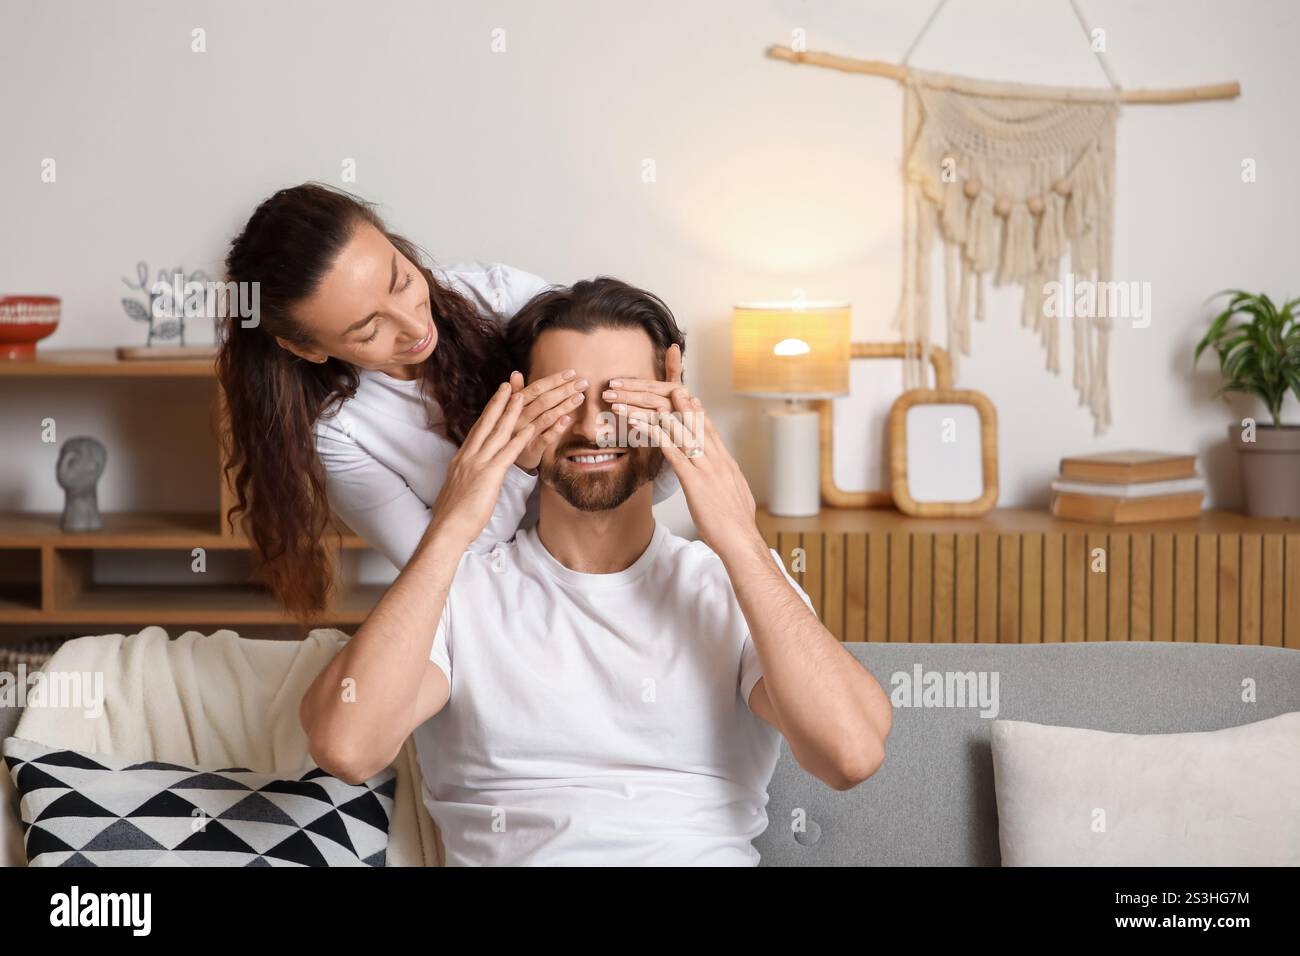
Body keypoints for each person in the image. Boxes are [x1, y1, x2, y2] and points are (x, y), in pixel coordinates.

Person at [300, 277, 893, 866]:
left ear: (671, 408)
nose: (593, 426)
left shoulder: (731, 582)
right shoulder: (459, 590)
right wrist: (453, 525)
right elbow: (348, 747)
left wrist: (739, 536)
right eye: (563, 399)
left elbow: (851, 754)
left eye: (622, 399)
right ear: (518, 415)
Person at [216, 182, 681, 619]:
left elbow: (649, 484)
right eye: (370, 329)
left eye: (401, 281)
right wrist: (515, 466)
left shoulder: (498, 298)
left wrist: (671, 427)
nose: (415, 326)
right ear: (307, 349)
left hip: (605, 566)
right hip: (491, 607)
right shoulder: (338, 434)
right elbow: (440, 574)